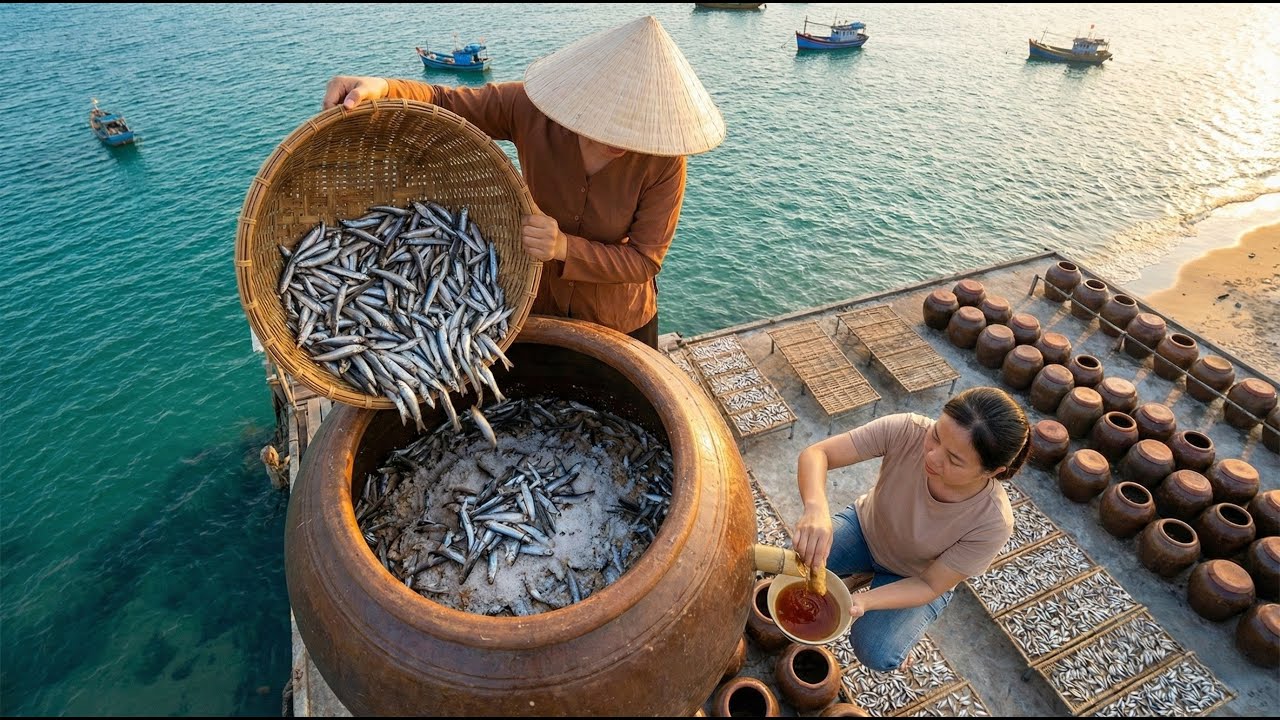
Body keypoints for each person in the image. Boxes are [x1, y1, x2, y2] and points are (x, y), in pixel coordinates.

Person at [321, 16, 726, 349]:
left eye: (631, 130)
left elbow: (643, 261)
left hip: (621, 319)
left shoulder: (665, 162)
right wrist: (384, 87)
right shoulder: (528, 107)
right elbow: (444, 102)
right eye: (602, 125)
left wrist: (564, 247)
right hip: (537, 301)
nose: (617, 142)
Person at [792, 387, 1029, 671]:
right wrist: (816, 508)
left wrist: (860, 601)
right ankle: (863, 570)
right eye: (937, 436)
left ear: (993, 472)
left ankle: (897, 627)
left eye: (954, 460)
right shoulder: (907, 429)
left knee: (878, 651)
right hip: (866, 530)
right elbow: (817, 454)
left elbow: (930, 584)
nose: (932, 456)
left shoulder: (992, 521)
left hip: (915, 576)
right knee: (791, 565)